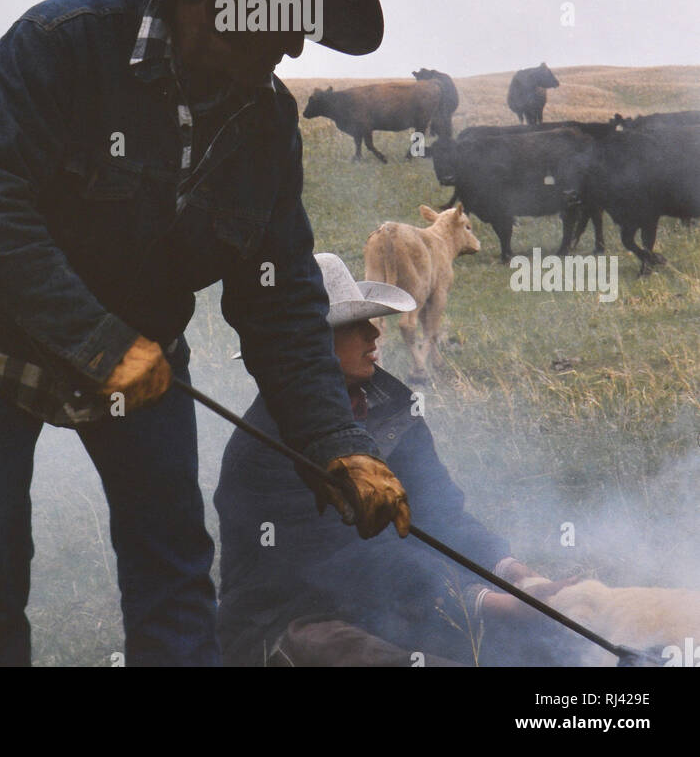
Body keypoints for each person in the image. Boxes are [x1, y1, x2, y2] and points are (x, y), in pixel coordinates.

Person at [0, 0, 410, 668]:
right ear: (210, 2)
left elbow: (279, 294)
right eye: (278, 25)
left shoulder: (266, 120)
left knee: (173, 564)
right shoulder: (62, 43)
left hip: (144, 355)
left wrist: (333, 440)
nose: (290, 50)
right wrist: (92, 339)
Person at [214, 253, 585, 667]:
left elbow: (440, 512)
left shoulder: (389, 407)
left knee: (550, 645)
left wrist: (513, 573)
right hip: (293, 621)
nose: (374, 333)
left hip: (398, 602)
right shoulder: (268, 446)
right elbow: (352, 563)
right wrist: (484, 603)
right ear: (309, 345)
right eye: (353, 326)